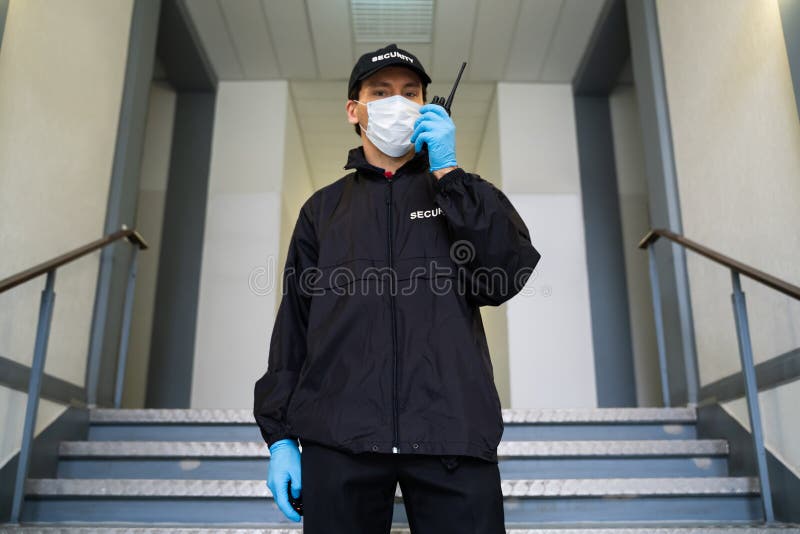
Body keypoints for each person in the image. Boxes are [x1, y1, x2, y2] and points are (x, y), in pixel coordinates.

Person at [253, 43, 541, 533]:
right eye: (381, 92)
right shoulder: (322, 212)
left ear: (431, 106)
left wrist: (448, 172)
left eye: (411, 93)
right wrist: (280, 437)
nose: (398, 103)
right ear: (355, 110)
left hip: (451, 430)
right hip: (340, 435)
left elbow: (506, 271)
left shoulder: (463, 195)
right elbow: (294, 328)